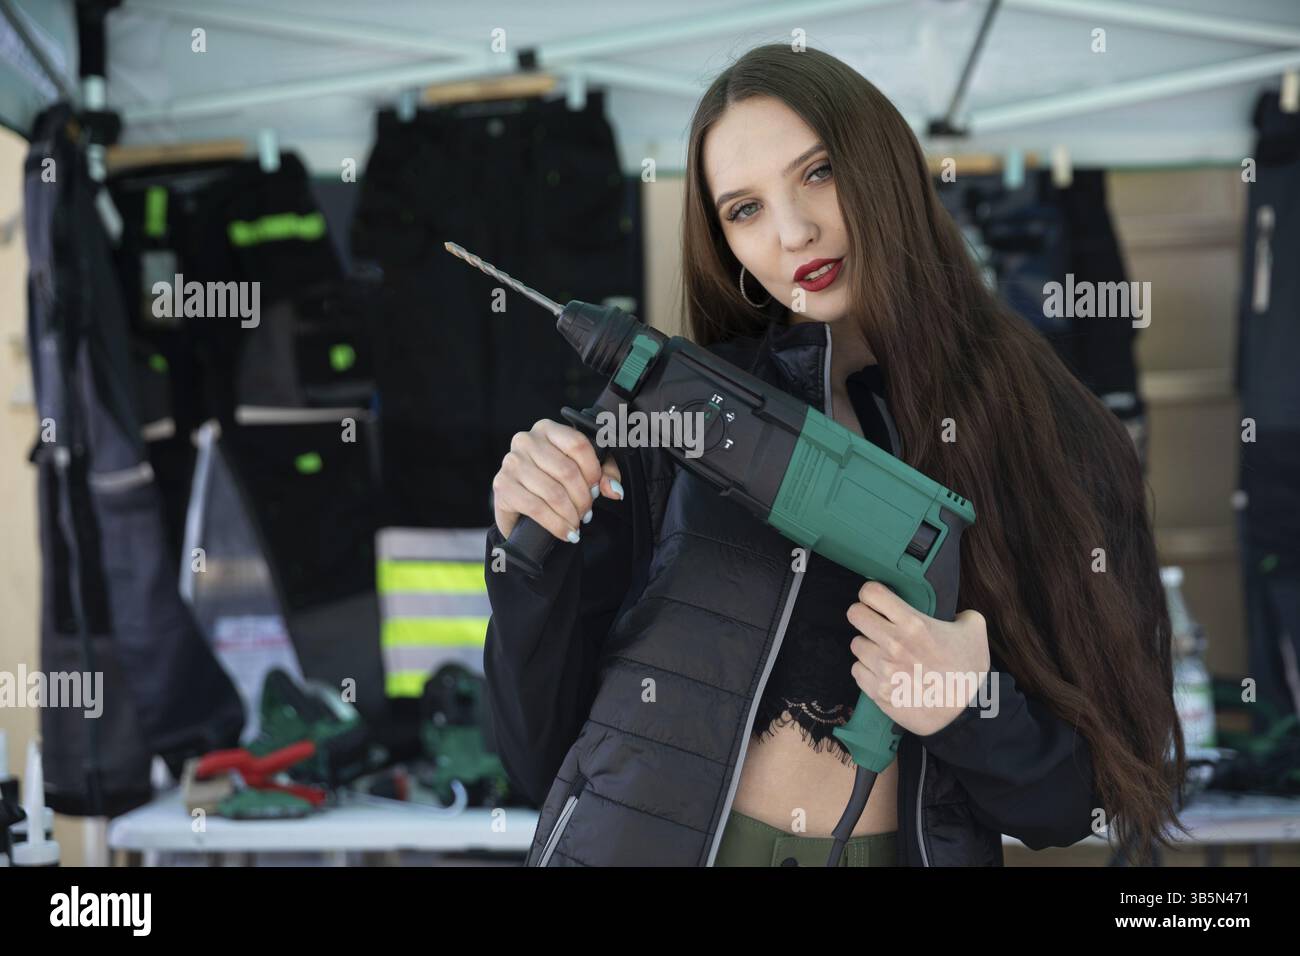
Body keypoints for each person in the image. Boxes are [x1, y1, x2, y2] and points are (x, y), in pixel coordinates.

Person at [483, 43, 1186, 867]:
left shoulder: (1048, 434)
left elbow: (1078, 801)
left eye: (818, 173)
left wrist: (966, 707)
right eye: (745, 209)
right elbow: (533, 753)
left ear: (885, 163)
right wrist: (528, 550)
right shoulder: (673, 415)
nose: (794, 232)